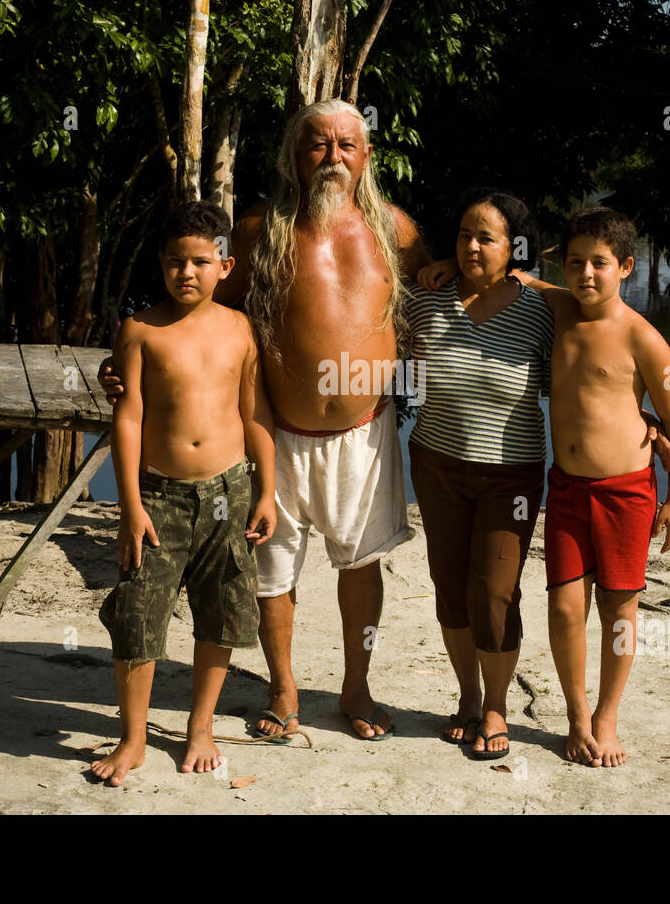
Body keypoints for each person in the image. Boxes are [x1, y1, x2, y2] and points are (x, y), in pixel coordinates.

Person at [99, 99, 434, 742]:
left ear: (365, 157)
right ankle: (283, 690)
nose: (332, 157)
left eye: (345, 145)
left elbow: (459, 293)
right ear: (293, 155)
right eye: (317, 145)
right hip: (275, 432)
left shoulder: (399, 230)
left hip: (366, 432)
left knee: (360, 563)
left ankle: (356, 689)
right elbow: (195, 310)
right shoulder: (257, 230)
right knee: (271, 569)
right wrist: (125, 369)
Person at [91, 201, 276, 786]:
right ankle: (134, 736)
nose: (187, 273)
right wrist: (129, 506)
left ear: (226, 265)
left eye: (201, 261)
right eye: (175, 262)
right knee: (138, 613)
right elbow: (128, 418)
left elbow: (255, 413)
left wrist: (268, 491)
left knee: (222, 612)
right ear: (161, 264)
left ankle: (201, 725)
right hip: (159, 496)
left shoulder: (241, 328)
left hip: (230, 491)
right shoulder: (140, 329)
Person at [517, 206, 670, 767]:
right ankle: (575, 715)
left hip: (626, 493)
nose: (586, 274)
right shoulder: (560, 307)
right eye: (575, 263)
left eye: (599, 263)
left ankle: (607, 717)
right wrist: (448, 261)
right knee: (567, 608)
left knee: (619, 609)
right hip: (566, 490)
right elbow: (512, 275)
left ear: (626, 267)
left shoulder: (645, 339)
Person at [405, 189, 552, 759]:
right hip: (435, 464)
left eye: (486, 237)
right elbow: (369, 338)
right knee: (449, 585)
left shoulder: (541, 310)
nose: (471, 245)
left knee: (494, 592)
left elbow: (594, 361)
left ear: (513, 246)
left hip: (510, 475)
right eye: (464, 234)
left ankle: (497, 705)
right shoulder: (424, 299)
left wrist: (641, 413)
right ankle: (468, 698)